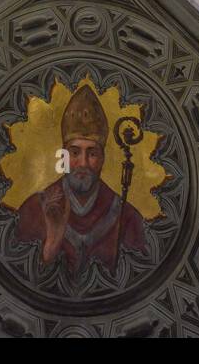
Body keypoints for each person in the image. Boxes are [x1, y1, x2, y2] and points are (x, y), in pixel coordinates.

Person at [14, 85, 147, 272]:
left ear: (103, 159)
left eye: (92, 153)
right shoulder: (34, 209)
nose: (83, 163)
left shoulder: (127, 216)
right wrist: (51, 245)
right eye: (75, 152)